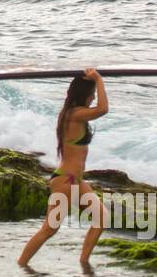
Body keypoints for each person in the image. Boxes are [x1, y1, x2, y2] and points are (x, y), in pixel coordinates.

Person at [17, 68, 109, 266]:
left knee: (101, 218)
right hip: (66, 181)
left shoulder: (73, 114)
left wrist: (92, 77)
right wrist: (98, 79)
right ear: (84, 95)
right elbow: (103, 109)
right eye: (92, 94)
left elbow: (98, 107)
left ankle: (84, 263)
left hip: (75, 180)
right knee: (49, 229)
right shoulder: (73, 115)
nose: (93, 98)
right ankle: (21, 264)